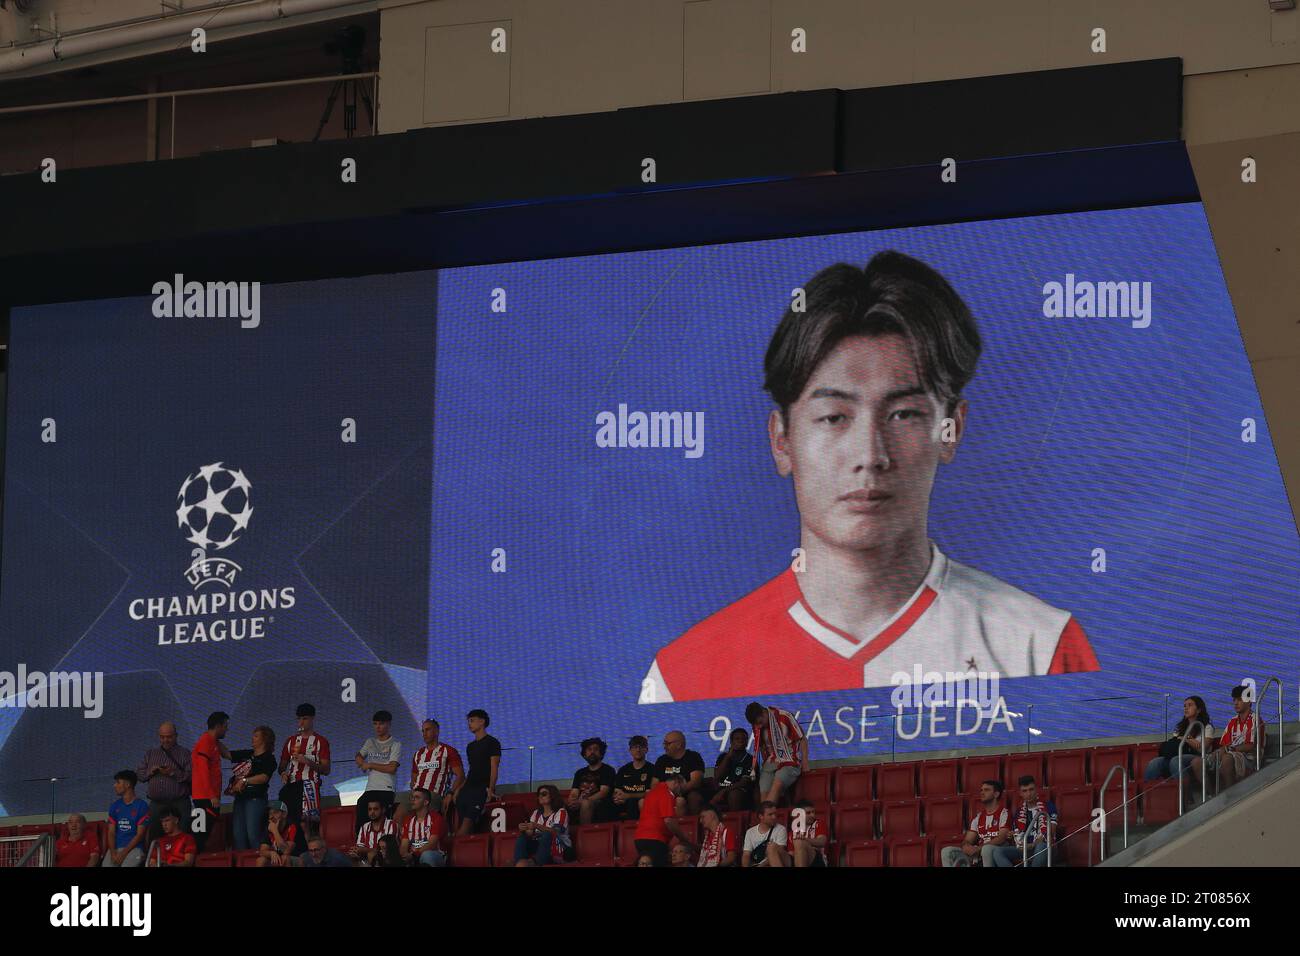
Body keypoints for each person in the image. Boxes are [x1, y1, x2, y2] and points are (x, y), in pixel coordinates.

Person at [639, 252, 1099, 704]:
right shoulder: (685, 676)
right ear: (782, 441)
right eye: (835, 417)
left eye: (902, 414)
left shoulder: (1038, 647)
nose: (869, 455)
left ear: (950, 430)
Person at [278, 702, 331, 838]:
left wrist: (307, 761)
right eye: (299, 718)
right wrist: (283, 773)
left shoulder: (321, 741)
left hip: (310, 785)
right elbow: (282, 766)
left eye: (305, 718)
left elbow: (326, 769)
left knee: (309, 823)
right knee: (291, 823)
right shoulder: (290, 741)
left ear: (312, 719)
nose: (301, 722)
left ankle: (312, 851)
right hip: (292, 786)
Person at [137, 720, 192, 845]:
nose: (165, 740)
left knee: (181, 837)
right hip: (157, 804)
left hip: (179, 803)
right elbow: (139, 775)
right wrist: (150, 772)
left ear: (176, 736)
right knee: (154, 838)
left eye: (169, 737)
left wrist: (173, 772)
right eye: (162, 737)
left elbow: (192, 776)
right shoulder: (150, 754)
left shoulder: (185, 753)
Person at [746, 701, 808, 805]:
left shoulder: (784, 716)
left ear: (764, 713)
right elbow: (761, 746)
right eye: (756, 724)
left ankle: (766, 816)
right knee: (764, 789)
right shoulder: (757, 725)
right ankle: (766, 817)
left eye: (760, 722)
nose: (759, 726)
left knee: (776, 784)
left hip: (790, 760)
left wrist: (805, 763)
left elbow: (802, 739)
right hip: (771, 762)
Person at [226, 725, 277, 851]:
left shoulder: (269, 758)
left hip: (255, 799)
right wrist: (214, 739)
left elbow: (264, 777)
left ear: (264, 739)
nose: (252, 738)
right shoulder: (248, 754)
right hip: (240, 799)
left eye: (256, 736)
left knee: (253, 834)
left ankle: (258, 860)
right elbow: (227, 754)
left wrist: (244, 780)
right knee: (238, 836)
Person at [1205, 685, 1265, 789]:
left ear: (1249, 702)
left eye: (1240, 699)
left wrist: (1229, 749)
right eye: (1234, 700)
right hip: (1233, 754)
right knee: (1206, 760)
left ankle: (1229, 794)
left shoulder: (1255, 719)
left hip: (1251, 759)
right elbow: (1225, 744)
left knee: (1227, 758)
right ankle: (1210, 795)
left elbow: (1250, 746)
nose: (1235, 703)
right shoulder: (1232, 721)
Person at [940, 779, 1010, 867]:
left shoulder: (1004, 813)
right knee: (947, 851)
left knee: (986, 849)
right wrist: (966, 847)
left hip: (993, 852)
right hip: (977, 854)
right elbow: (968, 840)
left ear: (996, 794)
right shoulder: (978, 817)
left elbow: (1002, 838)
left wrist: (980, 848)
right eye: (981, 790)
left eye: (986, 790)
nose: (982, 792)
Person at [991, 776, 1057, 868]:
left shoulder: (1049, 806)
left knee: (1041, 846)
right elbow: (1018, 834)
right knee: (997, 852)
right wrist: (1012, 834)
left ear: (1036, 790)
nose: (1029, 794)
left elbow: (1051, 832)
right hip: (1025, 848)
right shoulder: (1019, 812)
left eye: (1031, 789)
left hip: (1046, 847)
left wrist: (1033, 844)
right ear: (1020, 793)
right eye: (1025, 791)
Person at [452, 709, 500, 836]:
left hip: (481, 788)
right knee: (464, 821)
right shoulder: (470, 746)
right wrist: (460, 788)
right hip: (468, 788)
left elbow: (494, 766)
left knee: (468, 822)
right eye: (468, 721)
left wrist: (491, 788)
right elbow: (472, 769)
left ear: (482, 721)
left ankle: (456, 845)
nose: (469, 724)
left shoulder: (492, 742)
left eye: (472, 720)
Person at [1145, 696, 1213, 785]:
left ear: (1199, 710)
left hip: (1198, 758)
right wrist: (1191, 741)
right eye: (1184, 706)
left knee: (1176, 761)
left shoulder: (1206, 727)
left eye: (1190, 705)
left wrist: (1186, 738)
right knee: (1155, 762)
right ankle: (1149, 795)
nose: (1186, 708)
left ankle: (1185, 794)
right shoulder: (1180, 728)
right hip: (1178, 754)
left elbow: (1202, 749)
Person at [354, 709, 403, 831]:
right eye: (375, 724)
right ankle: (360, 842)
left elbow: (392, 768)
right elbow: (358, 756)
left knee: (382, 821)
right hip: (370, 788)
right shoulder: (370, 741)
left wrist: (370, 765)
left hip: (386, 788)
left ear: (388, 724)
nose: (378, 727)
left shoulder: (395, 744)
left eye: (381, 723)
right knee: (361, 807)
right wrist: (362, 764)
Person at [190, 711, 231, 852]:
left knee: (202, 834)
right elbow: (202, 770)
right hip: (204, 798)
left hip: (207, 797)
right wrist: (211, 795)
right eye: (225, 726)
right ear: (218, 726)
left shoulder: (213, 742)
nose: (227, 729)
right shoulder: (205, 741)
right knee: (199, 834)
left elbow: (228, 755)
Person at [633, 774, 695, 867]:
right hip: (655, 840)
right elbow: (668, 820)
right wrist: (682, 838)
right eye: (681, 788)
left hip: (640, 839)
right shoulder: (666, 793)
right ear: (676, 783)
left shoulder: (654, 791)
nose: (681, 792)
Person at [411, 717, 463, 817]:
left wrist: (450, 793)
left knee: (422, 811)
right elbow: (413, 778)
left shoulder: (448, 751)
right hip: (415, 794)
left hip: (434, 794)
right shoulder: (418, 753)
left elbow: (460, 776)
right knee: (399, 814)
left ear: (436, 731)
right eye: (423, 731)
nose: (424, 733)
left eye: (428, 730)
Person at [513, 785, 574, 867]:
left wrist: (536, 825)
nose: (540, 796)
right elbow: (530, 833)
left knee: (547, 834)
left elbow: (555, 832)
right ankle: (519, 862)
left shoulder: (561, 812)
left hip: (559, 848)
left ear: (552, 796)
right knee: (522, 837)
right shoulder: (536, 813)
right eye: (539, 795)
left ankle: (538, 863)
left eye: (544, 794)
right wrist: (524, 828)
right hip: (540, 846)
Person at [652, 731, 706, 815]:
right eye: (664, 744)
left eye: (667, 744)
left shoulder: (693, 757)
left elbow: (695, 781)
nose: (664, 747)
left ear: (679, 745)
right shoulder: (661, 760)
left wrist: (676, 792)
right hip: (664, 795)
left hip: (686, 792)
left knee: (693, 797)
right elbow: (654, 784)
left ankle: (693, 826)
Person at [103, 770, 149, 868]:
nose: (114, 785)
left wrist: (123, 853)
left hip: (134, 849)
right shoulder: (114, 806)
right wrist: (113, 852)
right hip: (115, 849)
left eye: (118, 782)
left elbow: (140, 834)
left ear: (127, 784)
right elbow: (111, 832)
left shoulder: (142, 806)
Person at [567, 737, 617, 825]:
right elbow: (574, 792)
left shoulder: (608, 770)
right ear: (584, 754)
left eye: (595, 749)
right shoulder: (579, 773)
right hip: (581, 801)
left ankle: (585, 836)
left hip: (601, 804)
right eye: (589, 750)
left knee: (586, 804)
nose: (592, 752)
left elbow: (603, 792)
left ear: (601, 754)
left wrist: (582, 802)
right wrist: (573, 801)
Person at [400, 787, 448, 867]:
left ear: (426, 802)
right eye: (412, 797)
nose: (413, 800)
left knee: (427, 855)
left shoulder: (436, 818)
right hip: (413, 857)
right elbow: (404, 844)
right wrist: (404, 855)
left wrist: (413, 856)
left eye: (417, 797)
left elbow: (432, 844)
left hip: (435, 855)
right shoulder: (408, 820)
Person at [710, 728, 755, 812]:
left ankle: (734, 822)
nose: (740, 741)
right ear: (731, 742)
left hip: (739, 791)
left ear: (747, 742)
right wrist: (727, 757)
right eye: (737, 739)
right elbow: (717, 777)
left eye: (743, 739)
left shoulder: (750, 759)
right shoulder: (723, 757)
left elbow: (744, 782)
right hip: (721, 788)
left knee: (734, 795)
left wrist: (724, 791)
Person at [612, 735, 653, 820]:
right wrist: (617, 798)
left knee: (633, 802)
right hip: (624, 802)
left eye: (641, 747)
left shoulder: (653, 769)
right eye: (634, 747)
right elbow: (617, 790)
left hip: (642, 802)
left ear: (646, 750)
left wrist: (629, 796)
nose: (638, 750)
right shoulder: (623, 770)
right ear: (630, 750)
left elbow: (651, 793)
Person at [256, 801, 306, 867]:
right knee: (261, 860)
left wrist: (275, 831)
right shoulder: (269, 828)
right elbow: (262, 851)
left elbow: (286, 850)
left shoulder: (293, 827)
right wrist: (271, 853)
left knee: (285, 858)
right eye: (270, 814)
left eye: (275, 813)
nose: (271, 817)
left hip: (300, 860)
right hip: (281, 858)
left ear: (284, 814)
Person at [350, 797, 398, 867]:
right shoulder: (364, 827)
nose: (372, 812)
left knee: (371, 855)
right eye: (370, 809)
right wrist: (355, 852)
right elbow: (360, 847)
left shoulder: (391, 825)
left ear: (383, 810)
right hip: (367, 862)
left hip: (387, 862)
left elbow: (388, 850)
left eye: (375, 809)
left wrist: (366, 850)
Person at [742, 800, 790, 868]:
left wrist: (760, 866)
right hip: (756, 863)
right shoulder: (750, 832)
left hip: (774, 863)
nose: (774, 817)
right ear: (761, 816)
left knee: (772, 847)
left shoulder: (781, 829)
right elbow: (746, 855)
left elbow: (779, 852)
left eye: (775, 814)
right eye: (770, 814)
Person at [790, 799, 828, 867]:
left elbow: (821, 842)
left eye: (813, 812)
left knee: (799, 842)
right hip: (799, 861)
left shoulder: (819, 824)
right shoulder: (793, 832)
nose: (812, 815)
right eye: (808, 813)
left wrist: (805, 839)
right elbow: (791, 853)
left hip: (818, 861)